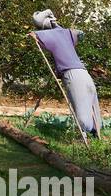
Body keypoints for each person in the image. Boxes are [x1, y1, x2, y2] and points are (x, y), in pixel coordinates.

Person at [30, 9, 102, 138]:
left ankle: (84, 135)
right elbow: (80, 34)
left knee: (80, 109)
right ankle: (95, 133)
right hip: (83, 72)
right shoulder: (67, 33)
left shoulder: (52, 34)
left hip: (72, 75)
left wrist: (33, 34)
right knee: (91, 104)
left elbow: (35, 32)